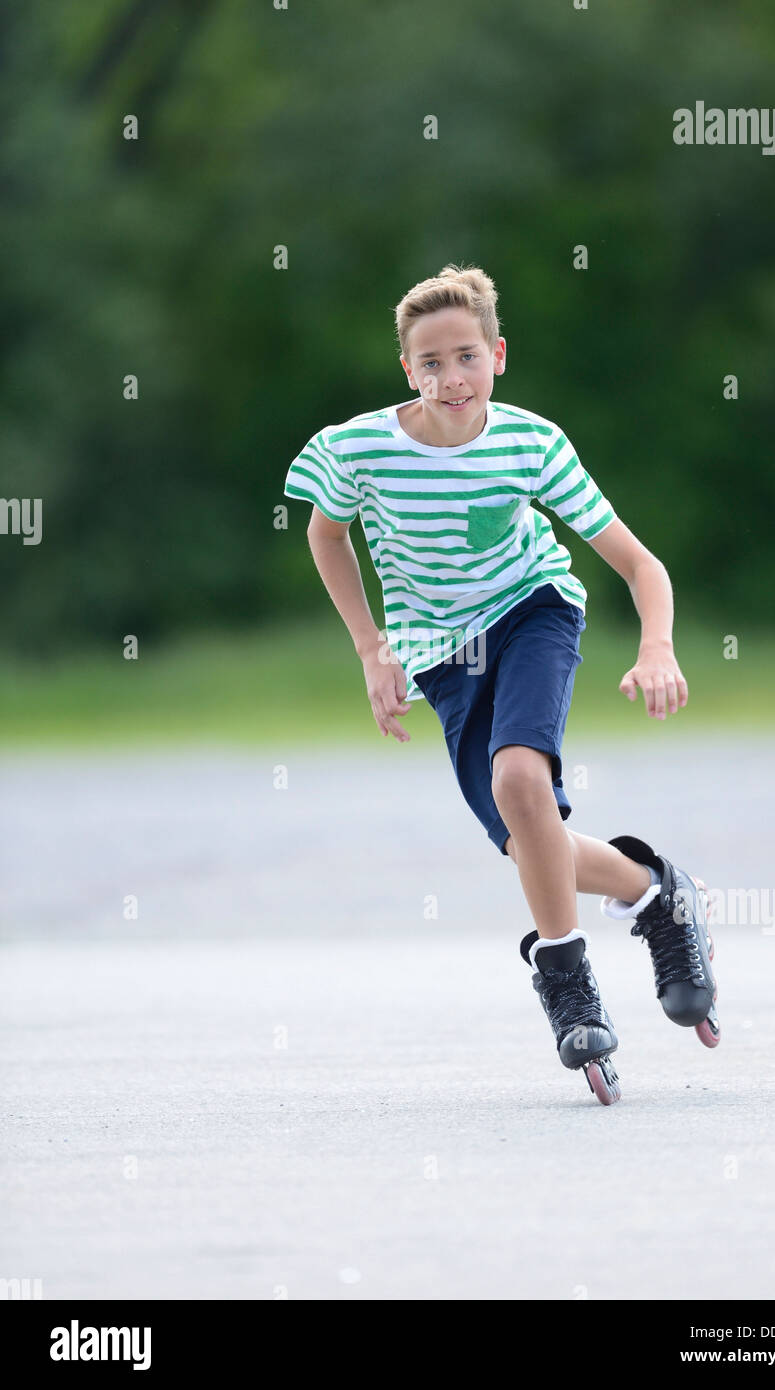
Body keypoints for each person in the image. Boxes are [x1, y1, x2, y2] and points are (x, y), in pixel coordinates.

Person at [282, 263, 718, 1104]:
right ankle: (657, 894)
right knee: (530, 843)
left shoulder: (531, 443)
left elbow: (638, 562)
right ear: (407, 369)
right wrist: (373, 649)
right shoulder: (357, 448)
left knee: (521, 778)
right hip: (440, 655)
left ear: (498, 356)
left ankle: (566, 981)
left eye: (467, 357)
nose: (452, 378)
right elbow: (326, 536)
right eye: (432, 362)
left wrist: (656, 646)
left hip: (533, 613)